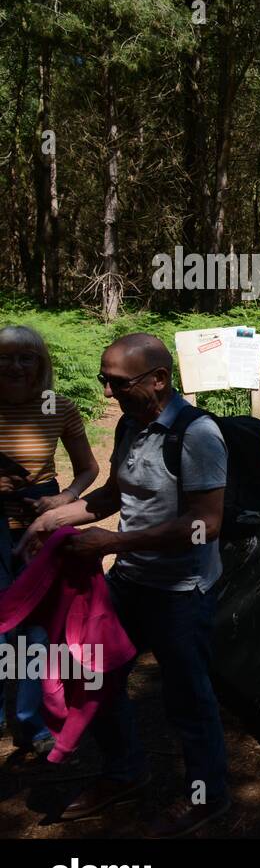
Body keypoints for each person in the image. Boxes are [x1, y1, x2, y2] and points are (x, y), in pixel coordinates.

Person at [20, 333, 230, 837]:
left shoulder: (198, 435)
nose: (108, 394)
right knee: (96, 676)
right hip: (131, 583)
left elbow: (206, 524)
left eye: (117, 383)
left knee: (189, 698)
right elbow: (113, 494)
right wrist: (56, 518)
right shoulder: (129, 427)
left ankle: (208, 795)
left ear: (158, 380)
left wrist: (111, 545)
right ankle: (124, 772)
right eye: (104, 381)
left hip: (182, 593)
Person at [0, 325, 99, 758]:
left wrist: (62, 499)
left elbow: (87, 469)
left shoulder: (57, 406)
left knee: (39, 628)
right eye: (6, 357)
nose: (16, 366)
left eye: (27, 357)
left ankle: (31, 720)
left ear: (41, 364)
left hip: (41, 521)